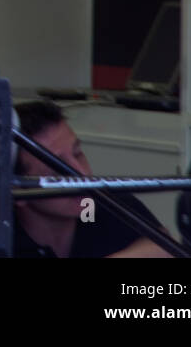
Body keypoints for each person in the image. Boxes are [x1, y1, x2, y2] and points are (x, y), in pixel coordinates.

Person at [13, 99, 174, 258]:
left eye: (78, 153)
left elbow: (165, 246)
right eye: (58, 168)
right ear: (17, 189)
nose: (81, 173)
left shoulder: (91, 208)